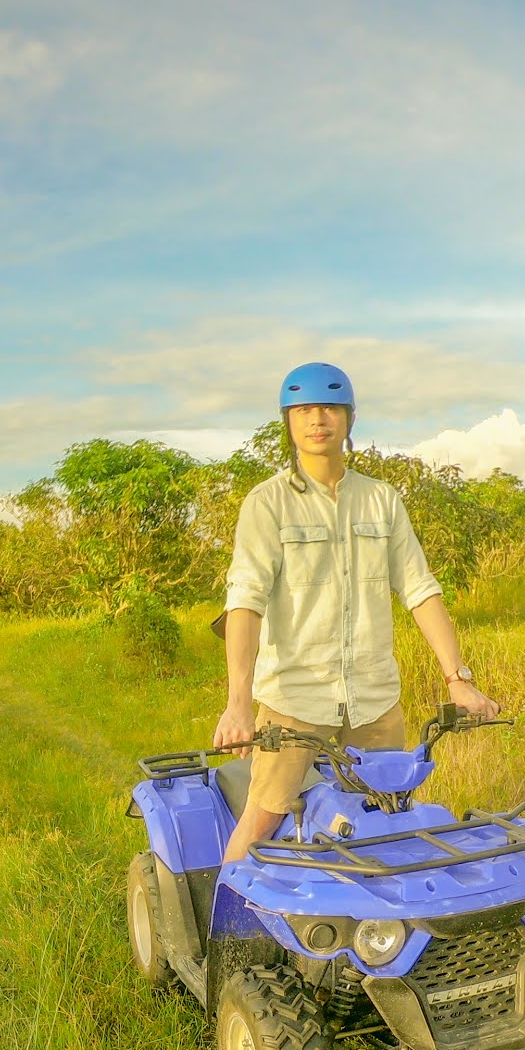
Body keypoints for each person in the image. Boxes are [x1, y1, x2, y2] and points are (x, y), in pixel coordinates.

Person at [212, 362, 501, 862]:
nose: (316, 419)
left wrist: (458, 678)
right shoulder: (268, 504)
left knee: (390, 821)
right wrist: (239, 703)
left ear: (349, 418)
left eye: (329, 407)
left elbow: (419, 589)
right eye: (303, 409)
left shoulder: (381, 500)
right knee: (263, 819)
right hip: (294, 699)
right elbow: (245, 602)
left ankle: (377, 935)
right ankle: (229, 933)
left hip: (373, 698)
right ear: (288, 421)